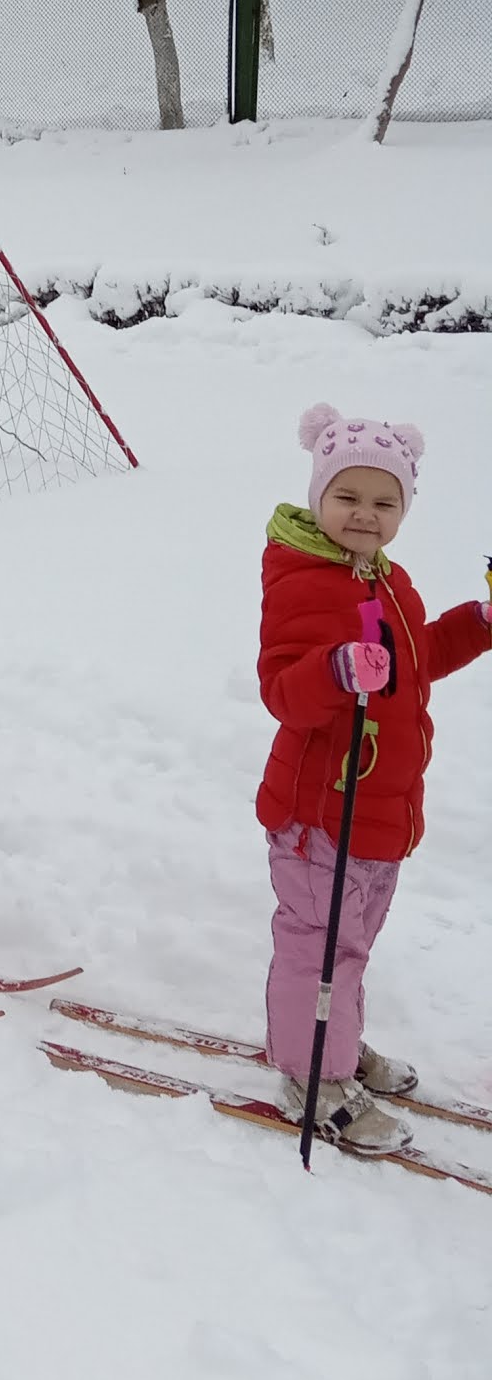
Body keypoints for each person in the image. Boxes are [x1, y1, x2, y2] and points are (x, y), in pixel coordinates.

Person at [254, 405, 490, 1154]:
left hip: (379, 813)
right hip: (319, 815)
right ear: (319, 495)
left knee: (350, 942)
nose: (365, 513)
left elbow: (415, 661)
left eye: (384, 500)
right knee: (318, 945)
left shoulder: (390, 580)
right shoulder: (303, 579)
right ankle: (312, 1074)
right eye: (348, 496)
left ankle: (339, 1045)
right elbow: (281, 691)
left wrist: (481, 620)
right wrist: (334, 671)